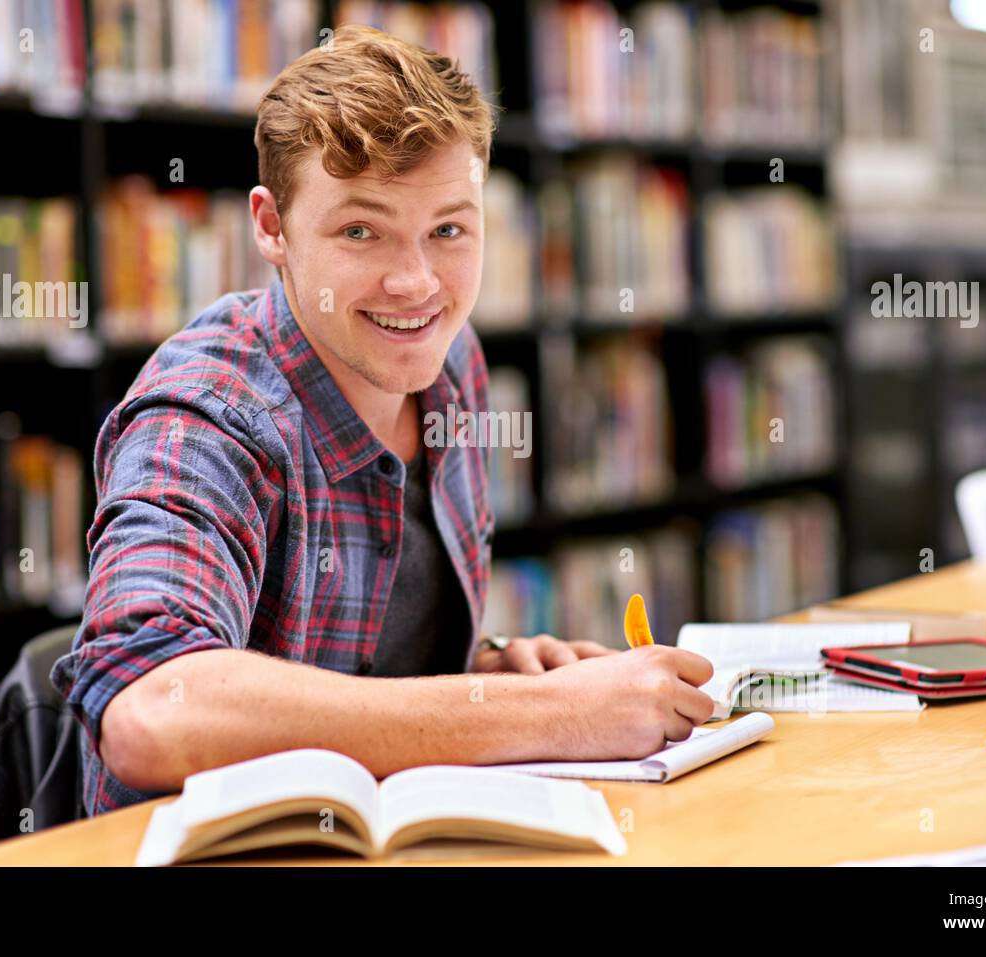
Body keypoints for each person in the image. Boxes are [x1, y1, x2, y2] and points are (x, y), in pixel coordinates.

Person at [51, 24, 714, 816]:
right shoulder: (205, 416)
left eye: (449, 230)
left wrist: (487, 671)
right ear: (270, 226)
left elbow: (372, 660)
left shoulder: (454, 364)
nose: (415, 283)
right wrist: (554, 714)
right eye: (361, 230)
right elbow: (154, 711)